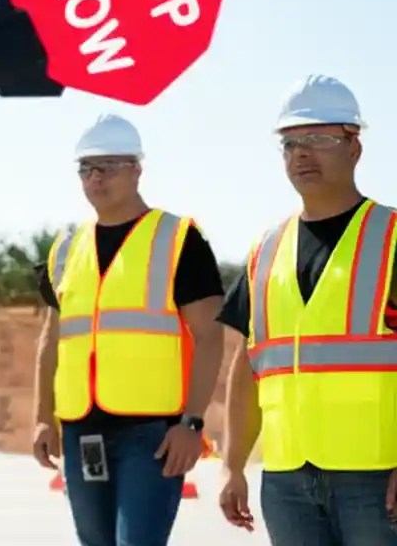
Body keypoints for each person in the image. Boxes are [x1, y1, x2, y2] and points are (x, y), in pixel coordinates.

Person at [217, 75, 397, 545]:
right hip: (286, 480)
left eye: (318, 138)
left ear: (354, 146)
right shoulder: (265, 251)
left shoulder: (392, 237)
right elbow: (247, 369)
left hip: (375, 478)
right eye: (290, 143)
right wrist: (232, 466)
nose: (301, 153)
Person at [31, 113, 225, 546]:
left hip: (152, 436)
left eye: (109, 167)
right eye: (87, 169)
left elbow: (211, 336)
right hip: (83, 429)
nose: (96, 178)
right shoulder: (65, 247)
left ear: (137, 169)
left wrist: (192, 425)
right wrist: (43, 418)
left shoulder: (178, 239)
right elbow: (51, 340)